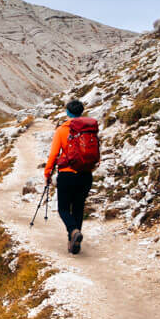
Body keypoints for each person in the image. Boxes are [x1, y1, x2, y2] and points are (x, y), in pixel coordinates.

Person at [44, 99, 100, 254]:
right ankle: (74, 244)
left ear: (67, 112)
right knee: (78, 208)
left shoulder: (62, 130)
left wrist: (47, 172)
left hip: (67, 175)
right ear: (81, 111)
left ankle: (73, 231)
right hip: (85, 174)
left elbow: (54, 154)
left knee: (63, 208)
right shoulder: (90, 129)